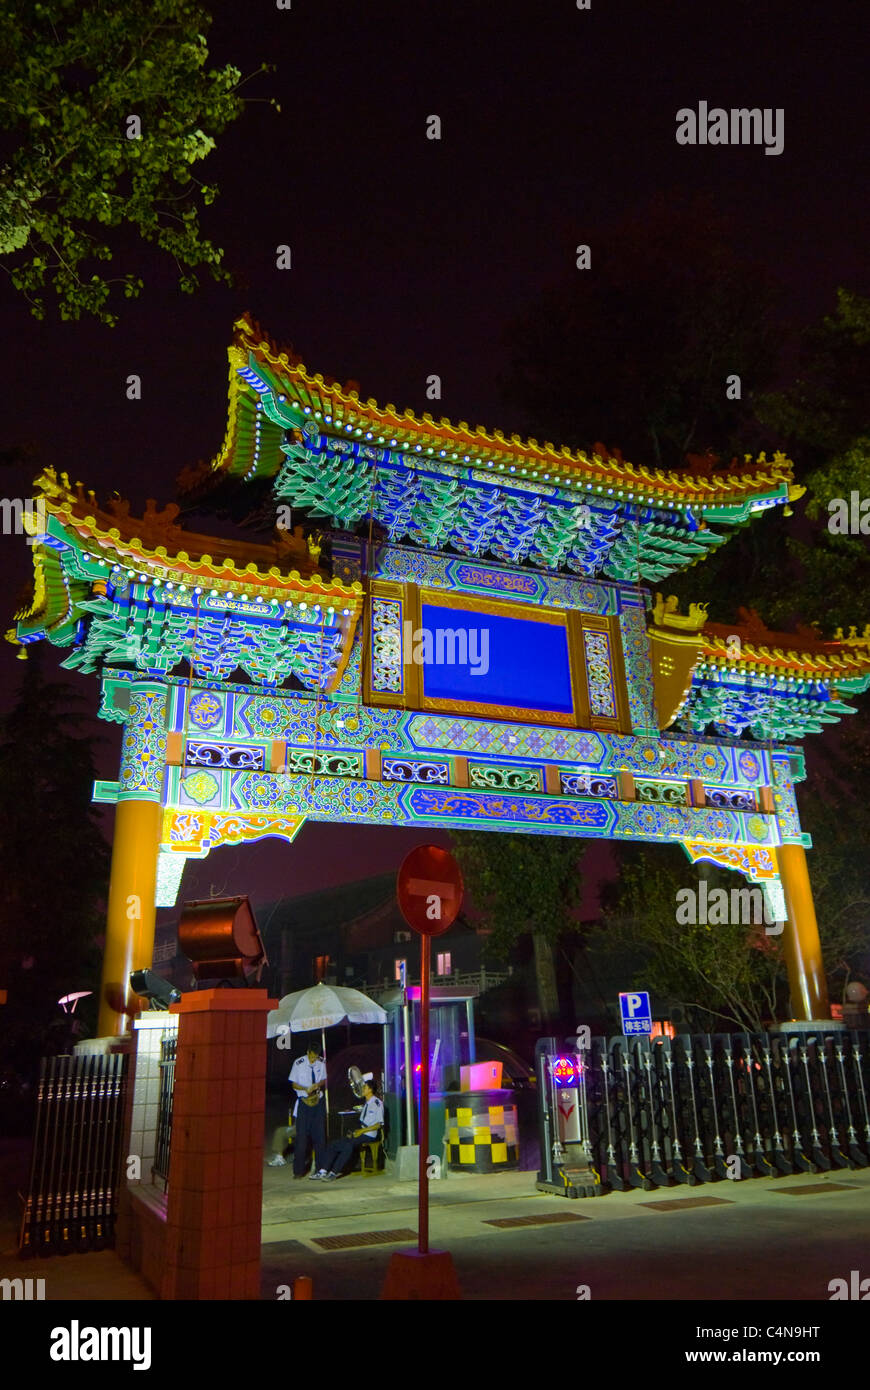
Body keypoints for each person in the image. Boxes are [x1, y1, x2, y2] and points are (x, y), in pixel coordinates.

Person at [311, 1079, 383, 1181]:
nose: (362, 1089)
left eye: (364, 1087)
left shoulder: (377, 1103)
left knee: (348, 1145)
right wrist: (356, 1131)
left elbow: (378, 1125)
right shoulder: (367, 1103)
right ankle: (323, 1171)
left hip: (369, 1134)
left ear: (370, 1090)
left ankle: (333, 1173)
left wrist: (361, 1131)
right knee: (334, 1144)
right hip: (360, 1132)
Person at [285, 1044, 327, 1178]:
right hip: (304, 1103)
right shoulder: (299, 1063)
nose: (313, 1059)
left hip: (318, 1102)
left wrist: (317, 1085)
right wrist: (305, 1088)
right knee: (301, 1138)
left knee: (319, 1137)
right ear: (308, 1052)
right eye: (311, 1056)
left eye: (315, 1057)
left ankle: (320, 1169)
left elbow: (324, 1079)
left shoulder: (321, 1062)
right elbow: (293, 1083)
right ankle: (298, 1171)